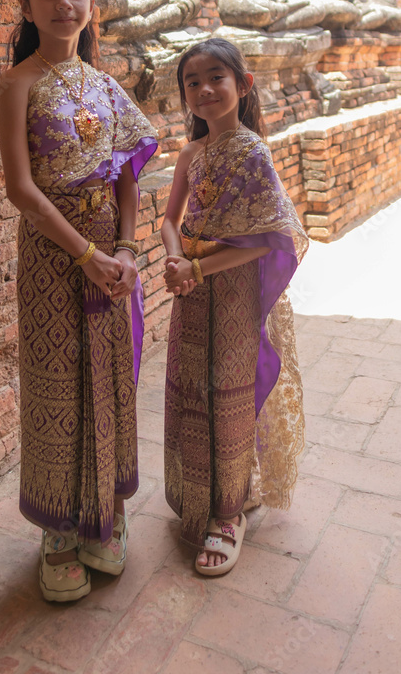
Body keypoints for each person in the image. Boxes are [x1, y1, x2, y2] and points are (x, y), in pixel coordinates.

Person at [0, 0, 157, 602]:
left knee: (110, 380)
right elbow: (22, 190)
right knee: (56, 384)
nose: (64, 4)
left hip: (109, 258)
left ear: (90, 4)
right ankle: (58, 532)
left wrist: (125, 250)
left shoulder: (106, 85)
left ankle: (106, 518)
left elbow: (126, 175)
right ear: (26, 6)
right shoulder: (18, 84)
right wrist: (86, 257)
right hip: (51, 256)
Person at [161, 37, 307, 575]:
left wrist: (197, 269)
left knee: (230, 391)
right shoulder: (191, 153)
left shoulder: (252, 152)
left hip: (235, 293)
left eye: (216, 77)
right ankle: (197, 492)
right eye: (192, 82)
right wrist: (175, 259)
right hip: (191, 292)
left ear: (243, 85)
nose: (204, 89)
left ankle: (228, 512)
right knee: (192, 385)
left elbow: (270, 239)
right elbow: (170, 220)